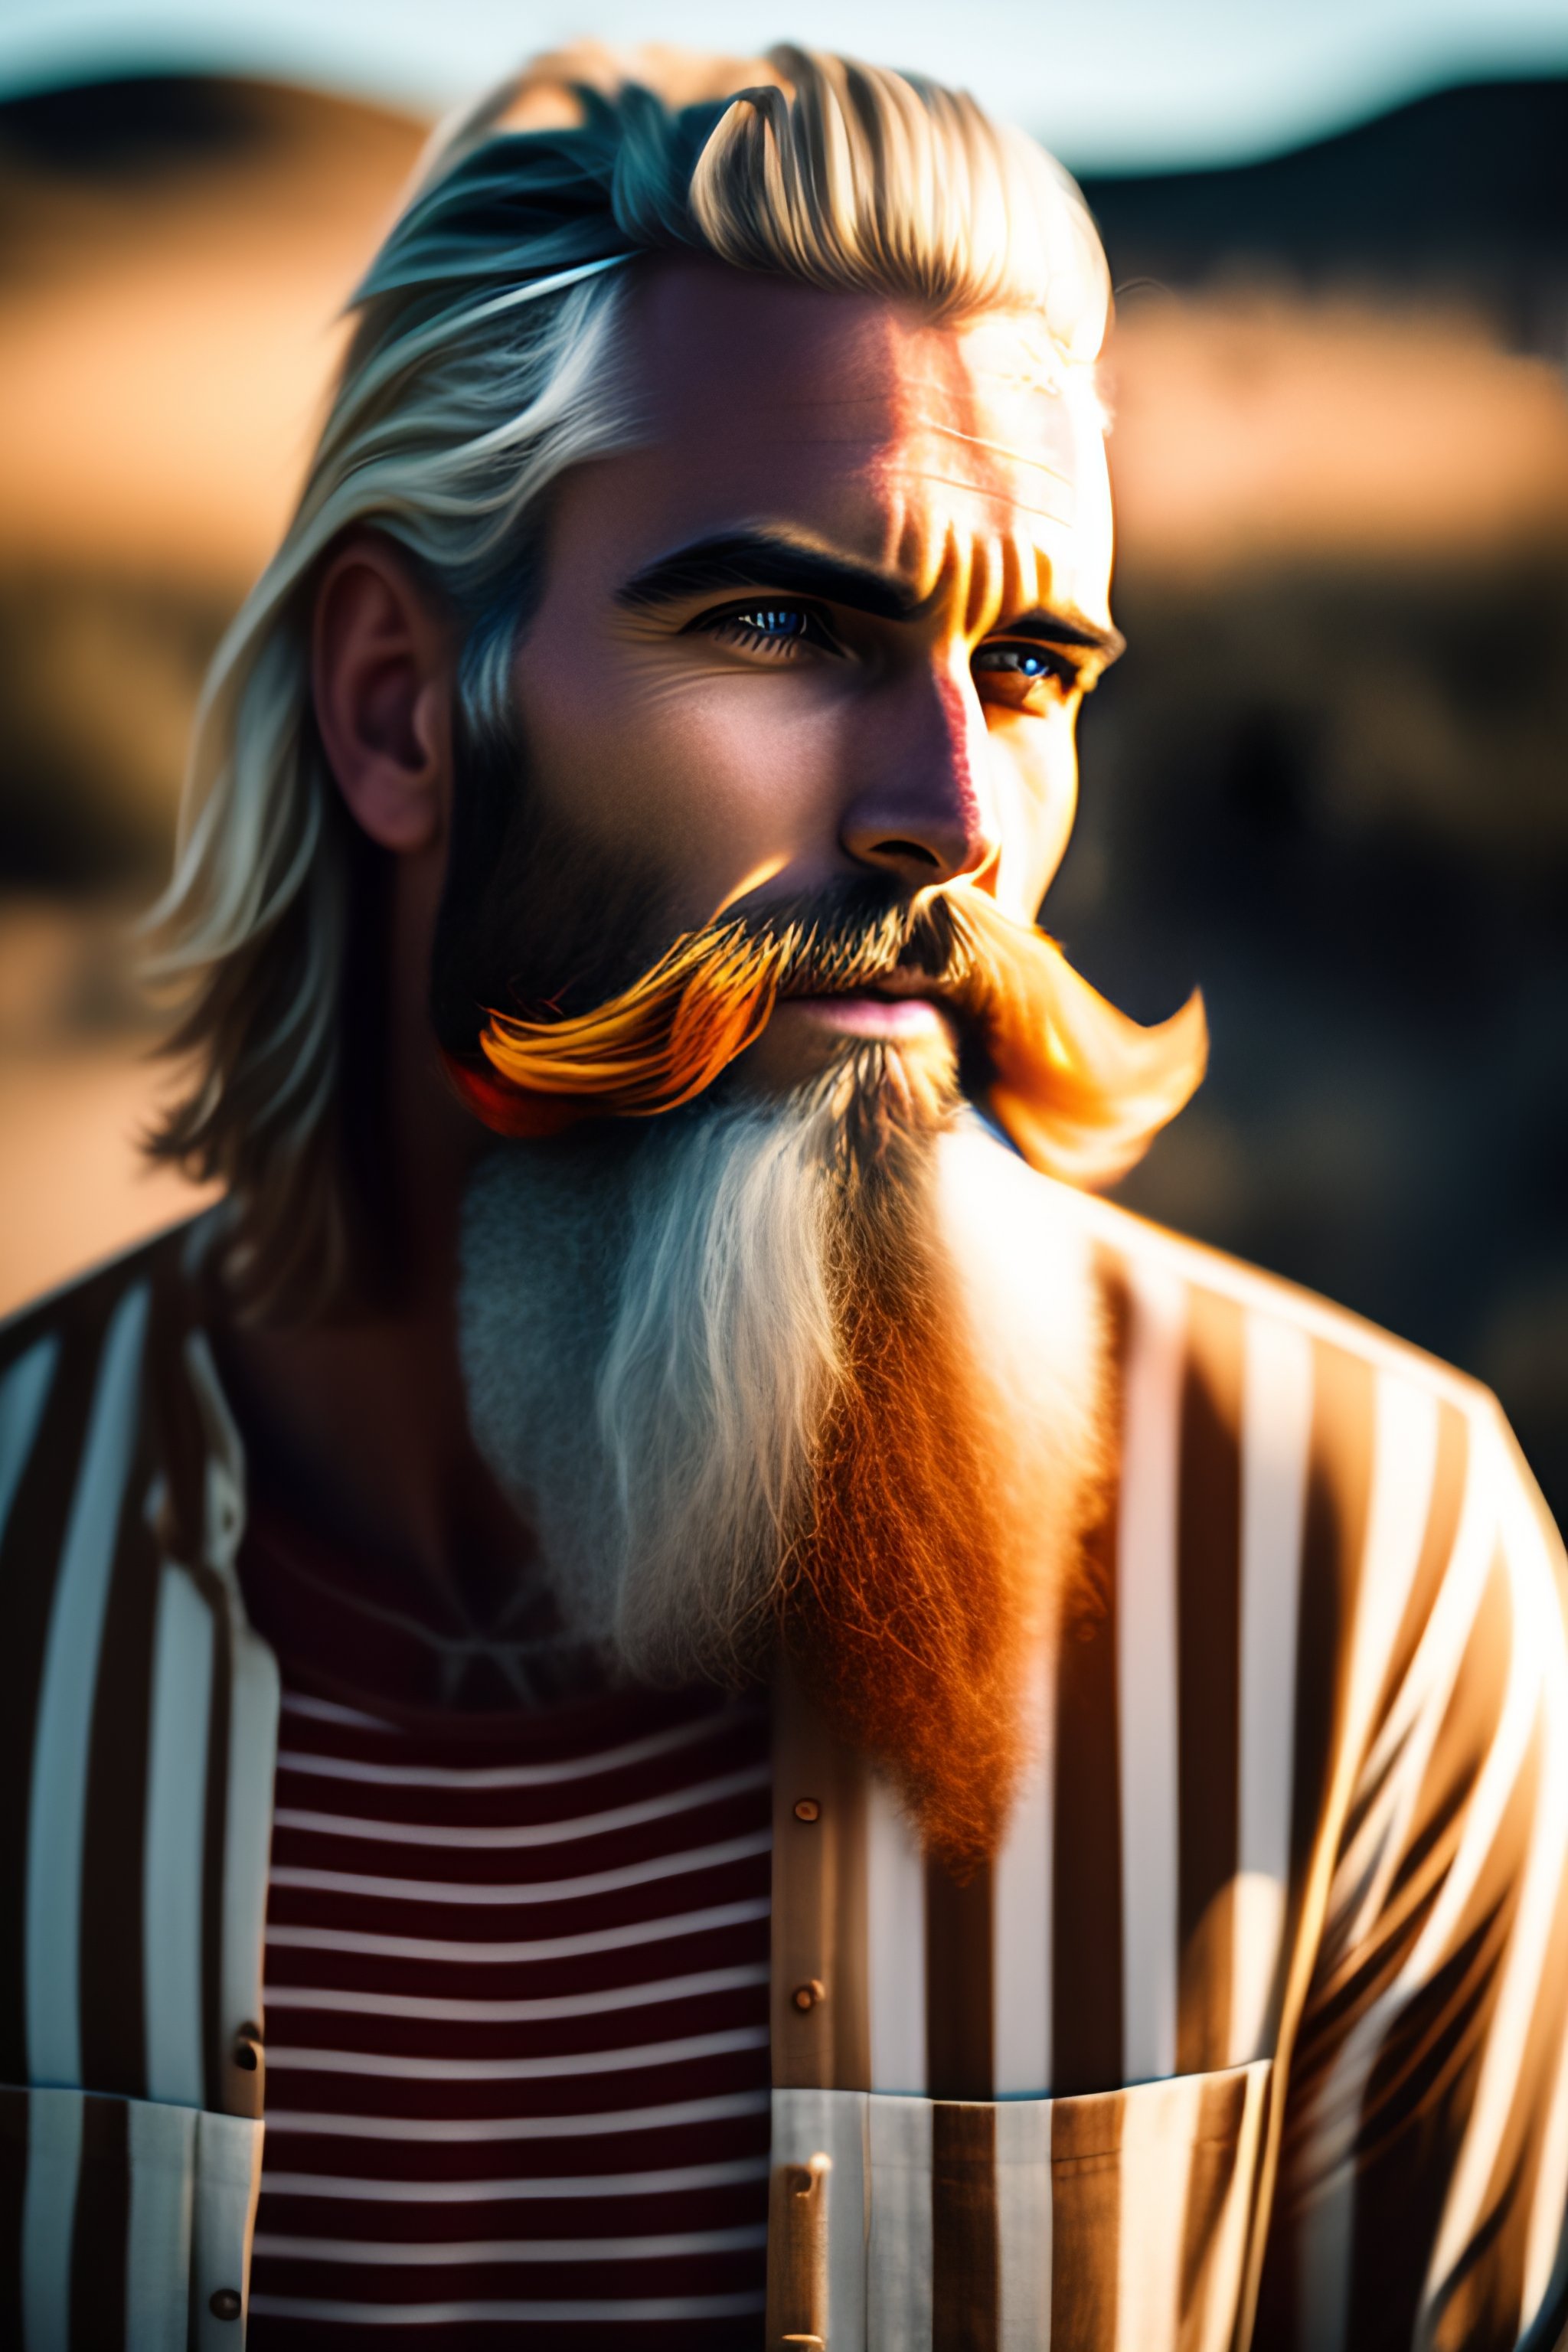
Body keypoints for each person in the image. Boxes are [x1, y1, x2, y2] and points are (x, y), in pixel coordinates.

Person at [1, 41, 1564, 2352]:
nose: (951, 809)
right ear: (402, 711)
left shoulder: (1370, 1571)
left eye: (1030, 665)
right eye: (783, 627)